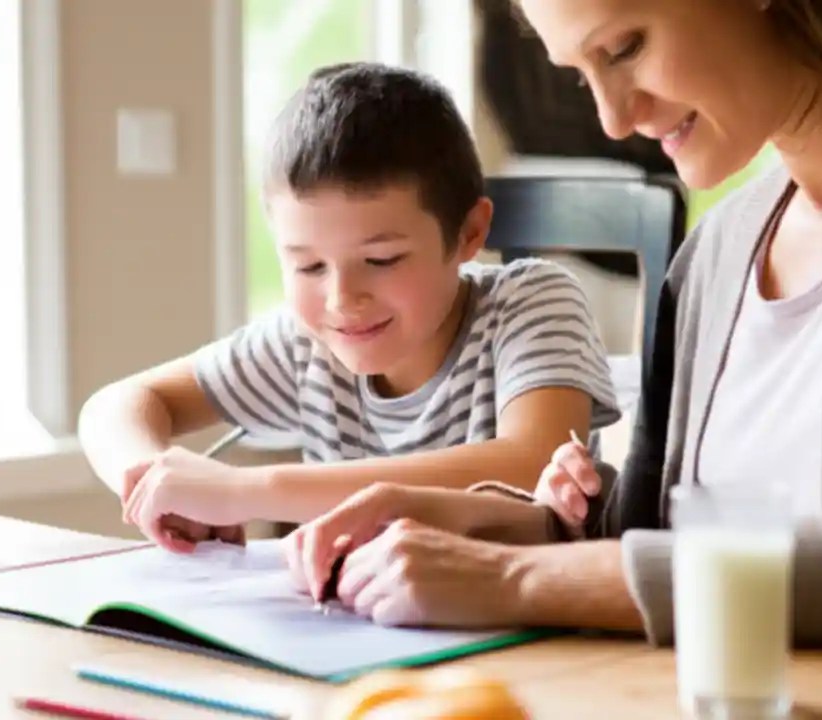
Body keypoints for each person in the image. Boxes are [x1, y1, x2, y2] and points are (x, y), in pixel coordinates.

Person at [286, 0, 822, 647]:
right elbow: (643, 535)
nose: (614, 120)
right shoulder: (720, 251)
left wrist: (505, 579)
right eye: (580, 75)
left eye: (623, 49)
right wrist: (470, 519)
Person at [78, 62, 619, 554]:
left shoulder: (530, 303)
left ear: (469, 232)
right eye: (309, 267)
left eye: (381, 260)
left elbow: (531, 461)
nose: (342, 300)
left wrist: (247, 491)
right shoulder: (304, 345)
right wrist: (157, 481)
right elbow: (116, 405)